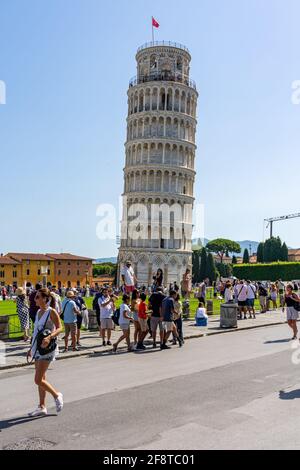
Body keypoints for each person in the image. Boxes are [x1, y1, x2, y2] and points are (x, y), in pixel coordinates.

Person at [27, 288, 63, 417]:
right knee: (41, 378)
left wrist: (49, 337)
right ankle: (42, 406)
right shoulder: (38, 312)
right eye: (35, 297)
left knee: (37, 380)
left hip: (47, 349)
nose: (34, 299)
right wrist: (31, 348)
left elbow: (60, 327)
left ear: (44, 299)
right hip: (37, 347)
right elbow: (36, 332)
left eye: (37, 297)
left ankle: (56, 395)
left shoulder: (51, 312)